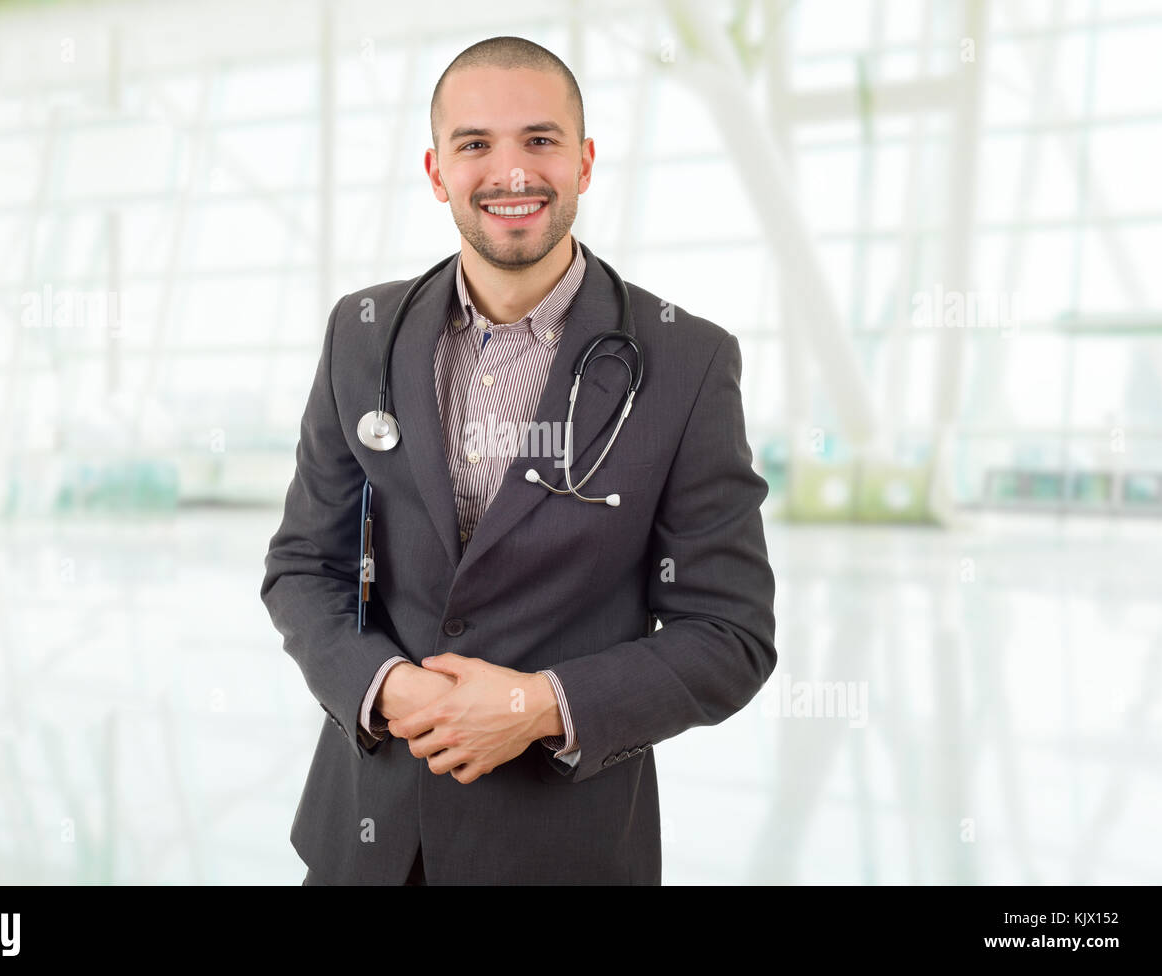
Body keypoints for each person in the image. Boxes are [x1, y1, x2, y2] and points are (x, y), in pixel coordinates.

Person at [262, 35, 777, 885]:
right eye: (476, 145)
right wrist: (387, 686)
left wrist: (538, 706)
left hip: (563, 851)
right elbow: (302, 567)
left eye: (540, 141)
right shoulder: (362, 335)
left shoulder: (687, 364)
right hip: (367, 842)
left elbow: (729, 635)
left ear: (584, 162)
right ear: (436, 171)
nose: (511, 173)